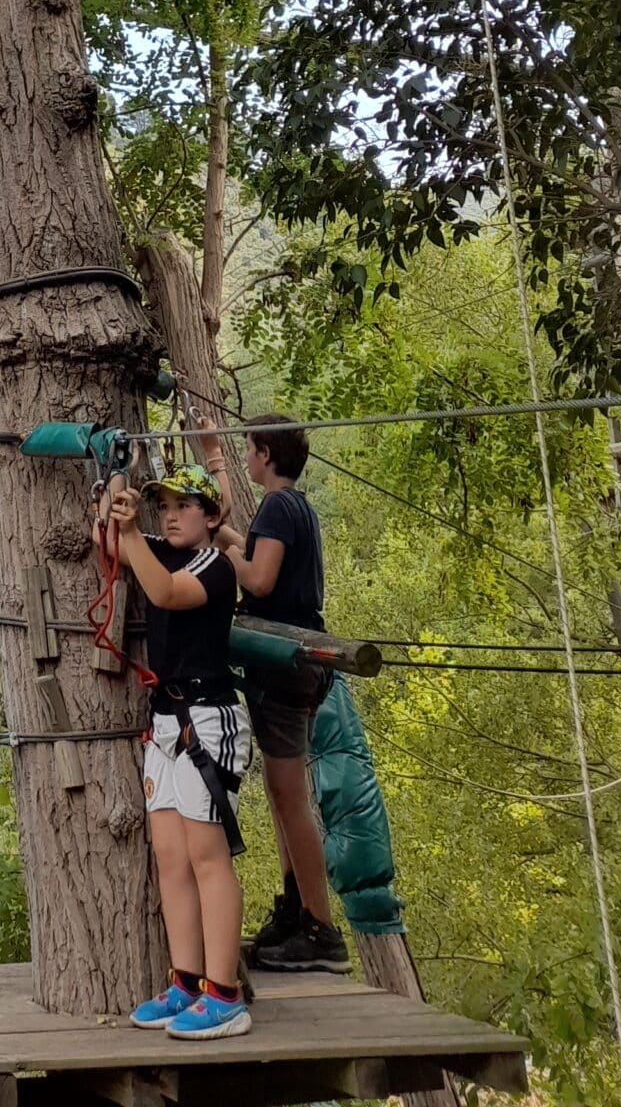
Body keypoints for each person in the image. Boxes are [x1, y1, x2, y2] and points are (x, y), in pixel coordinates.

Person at [108, 465, 252, 1042]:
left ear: (211, 517)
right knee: (170, 854)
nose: (168, 513)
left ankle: (225, 994)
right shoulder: (163, 554)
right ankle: (186, 981)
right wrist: (115, 504)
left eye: (184, 505)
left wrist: (126, 535)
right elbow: (123, 550)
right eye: (161, 504)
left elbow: (165, 593)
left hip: (207, 722)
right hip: (165, 720)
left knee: (206, 855)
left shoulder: (215, 570)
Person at [206, 416, 349, 973]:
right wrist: (232, 540)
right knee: (282, 793)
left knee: (290, 796)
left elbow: (260, 581)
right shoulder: (296, 509)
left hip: (286, 664)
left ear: (264, 453)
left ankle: (320, 927)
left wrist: (228, 558)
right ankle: (295, 910)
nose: (246, 458)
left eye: (247, 450)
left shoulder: (277, 507)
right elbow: (264, 559)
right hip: (300, 663)